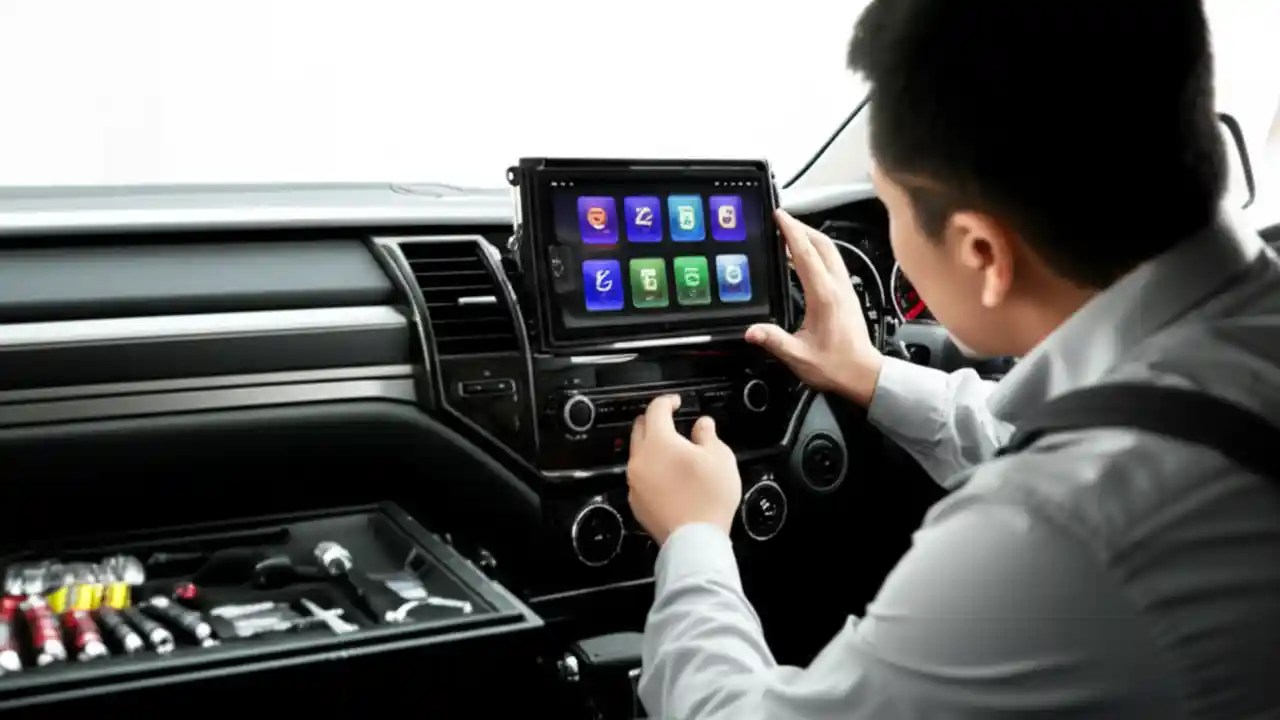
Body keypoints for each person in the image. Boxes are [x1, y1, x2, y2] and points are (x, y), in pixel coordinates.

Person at [624, 0, 1280, 718]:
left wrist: (692, 539)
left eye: (892, 209)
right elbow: (1092, 439)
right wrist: (868, 372)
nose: (893, 240)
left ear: (981, 253)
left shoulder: (1054, 536)